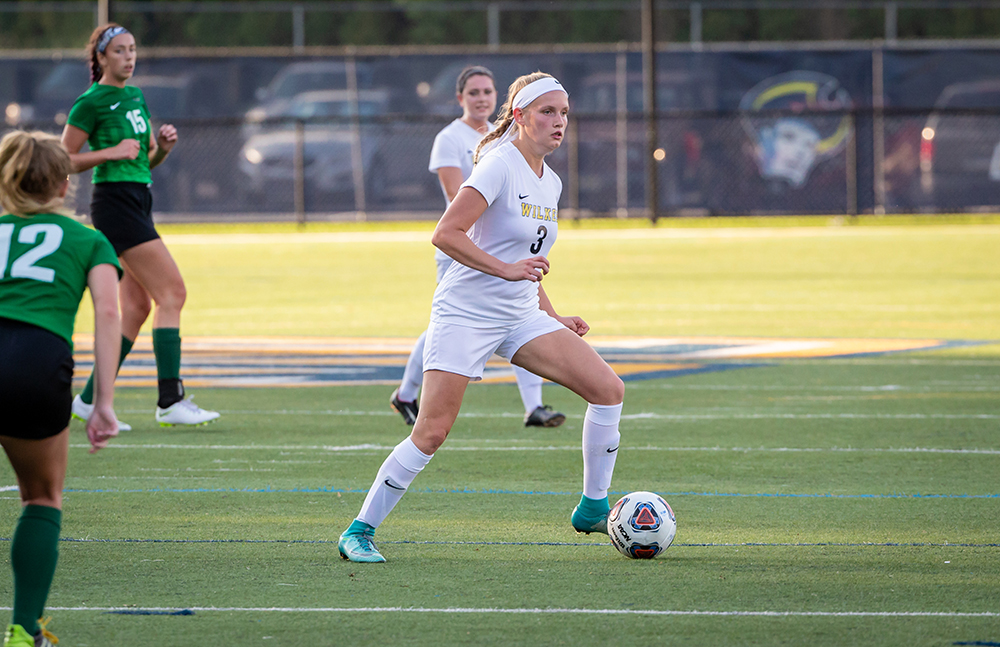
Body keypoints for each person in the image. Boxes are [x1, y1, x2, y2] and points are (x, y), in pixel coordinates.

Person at [339, 72, 625, 563]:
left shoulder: (550, 181)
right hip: (465, 314)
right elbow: (445, 233)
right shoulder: (497, 165)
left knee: (609, 389)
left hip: (520, 315)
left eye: (564, 114)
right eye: (548, 112)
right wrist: (506, 270)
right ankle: (358, 532)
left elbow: (527, 262)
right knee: (431, 432)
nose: (559, 123)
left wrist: (555, 316)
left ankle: (592, 508)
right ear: (519, 116)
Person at [60, 24, 219, 428]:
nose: (128, 57)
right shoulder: (90, 102)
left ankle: (89, 399)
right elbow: (63, 159)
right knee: (173, 292)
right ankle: (170, 399)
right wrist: (110, 151)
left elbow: (143, 161)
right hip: (114, 205)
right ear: (100, 58)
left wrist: (161, 148)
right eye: (119, 51)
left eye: (132, 50)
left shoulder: (135, 95)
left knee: (135, 306)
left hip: (137, 200)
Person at [391, 65, 566, 429]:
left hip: (506, 249)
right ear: (460, 99)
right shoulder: (452, 139)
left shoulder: (511, 139)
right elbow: (460, 199)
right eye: (474, 93)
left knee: (519, 312)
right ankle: (408, 391)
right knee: (449, 324)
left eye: (488, 92)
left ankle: (534, 405)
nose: (482, 98)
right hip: (466, 249)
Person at [0, 131, 122, 647]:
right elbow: (110, 313)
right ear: (64, 182)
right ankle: (24, 631)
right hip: (36, 360)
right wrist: (103, 403)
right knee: (42, 497)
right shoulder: (88, 239)